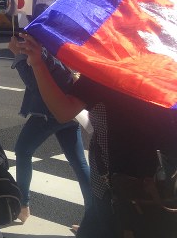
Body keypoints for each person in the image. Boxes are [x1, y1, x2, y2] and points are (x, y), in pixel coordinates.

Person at [17, 32, 177, 238]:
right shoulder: (164, 69)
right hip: (161, 178)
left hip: (117, 183)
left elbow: (63, 111)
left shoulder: (103, 74)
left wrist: (37, 64)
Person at [8, 27, 91, 224]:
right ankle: (93, 214)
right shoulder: (65, 42)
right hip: (70, 112)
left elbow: (36, 85)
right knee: (79, 163)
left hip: (49, 114)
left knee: (23, 150)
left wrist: (19, 56)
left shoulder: (46, 51)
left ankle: (23, 205)